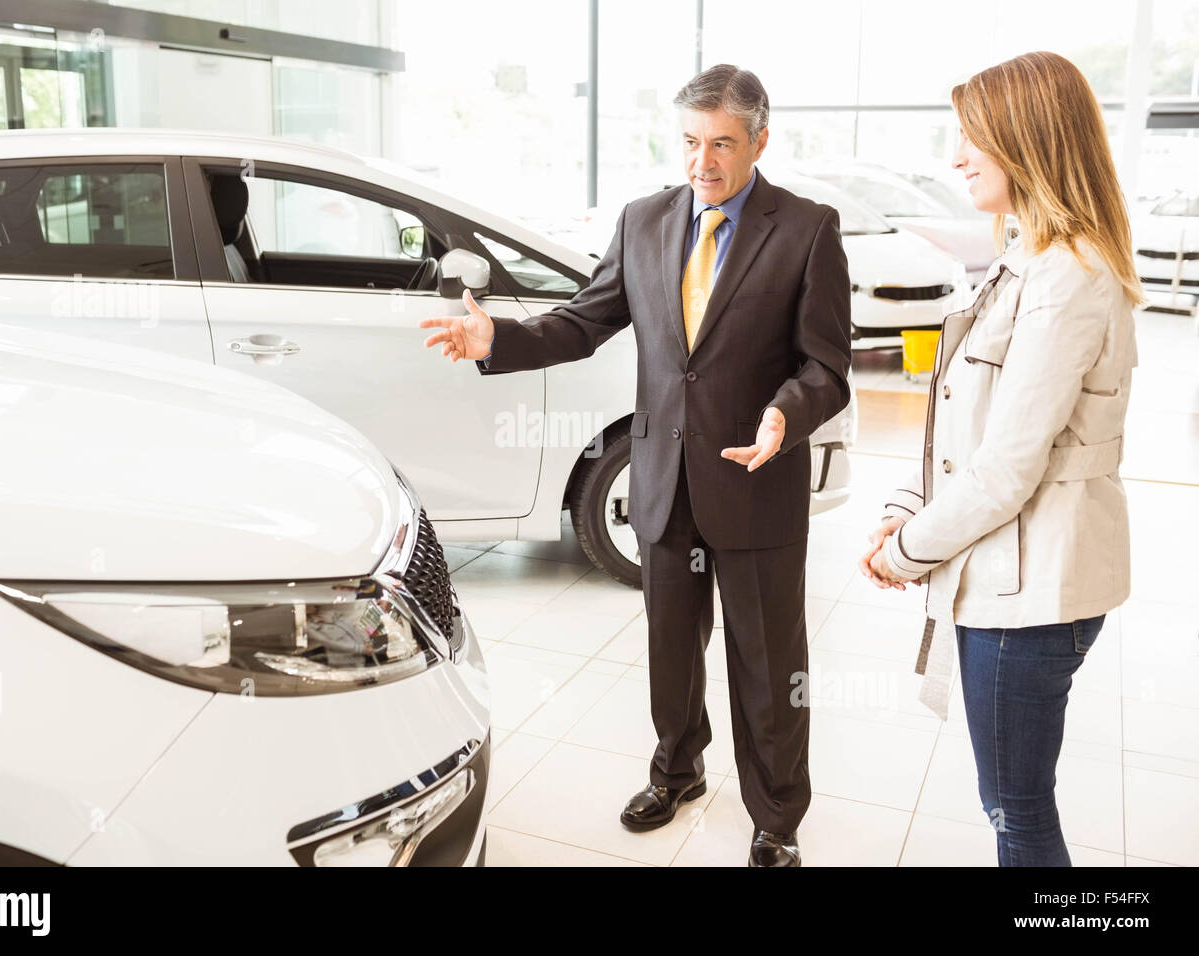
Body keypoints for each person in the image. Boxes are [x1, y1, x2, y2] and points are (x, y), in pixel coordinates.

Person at [421, 64, 851, 867]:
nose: (703, 162)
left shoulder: (805, 229)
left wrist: (786, 414)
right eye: (691, 142)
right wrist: (498, 339)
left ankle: (776, 814)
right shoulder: (645, 219)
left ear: (760, 140)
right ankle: (676, 770)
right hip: (663, 477)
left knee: (767, 659)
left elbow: (826, 366)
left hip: (755, 477)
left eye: (723, 143)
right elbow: (587, 321)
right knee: (669, 649)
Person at [859, 51, 1143, 867]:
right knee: (1008, 802)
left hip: (1031, 597)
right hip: (1004, 579)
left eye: (970, 138)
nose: (955, 157)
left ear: (1026, 141)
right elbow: (959, 425)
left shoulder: (1069, 280)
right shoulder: (1026, 261)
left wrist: (907, 554)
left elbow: (1006, 470)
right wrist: (900, 510)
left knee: (1015, 809)